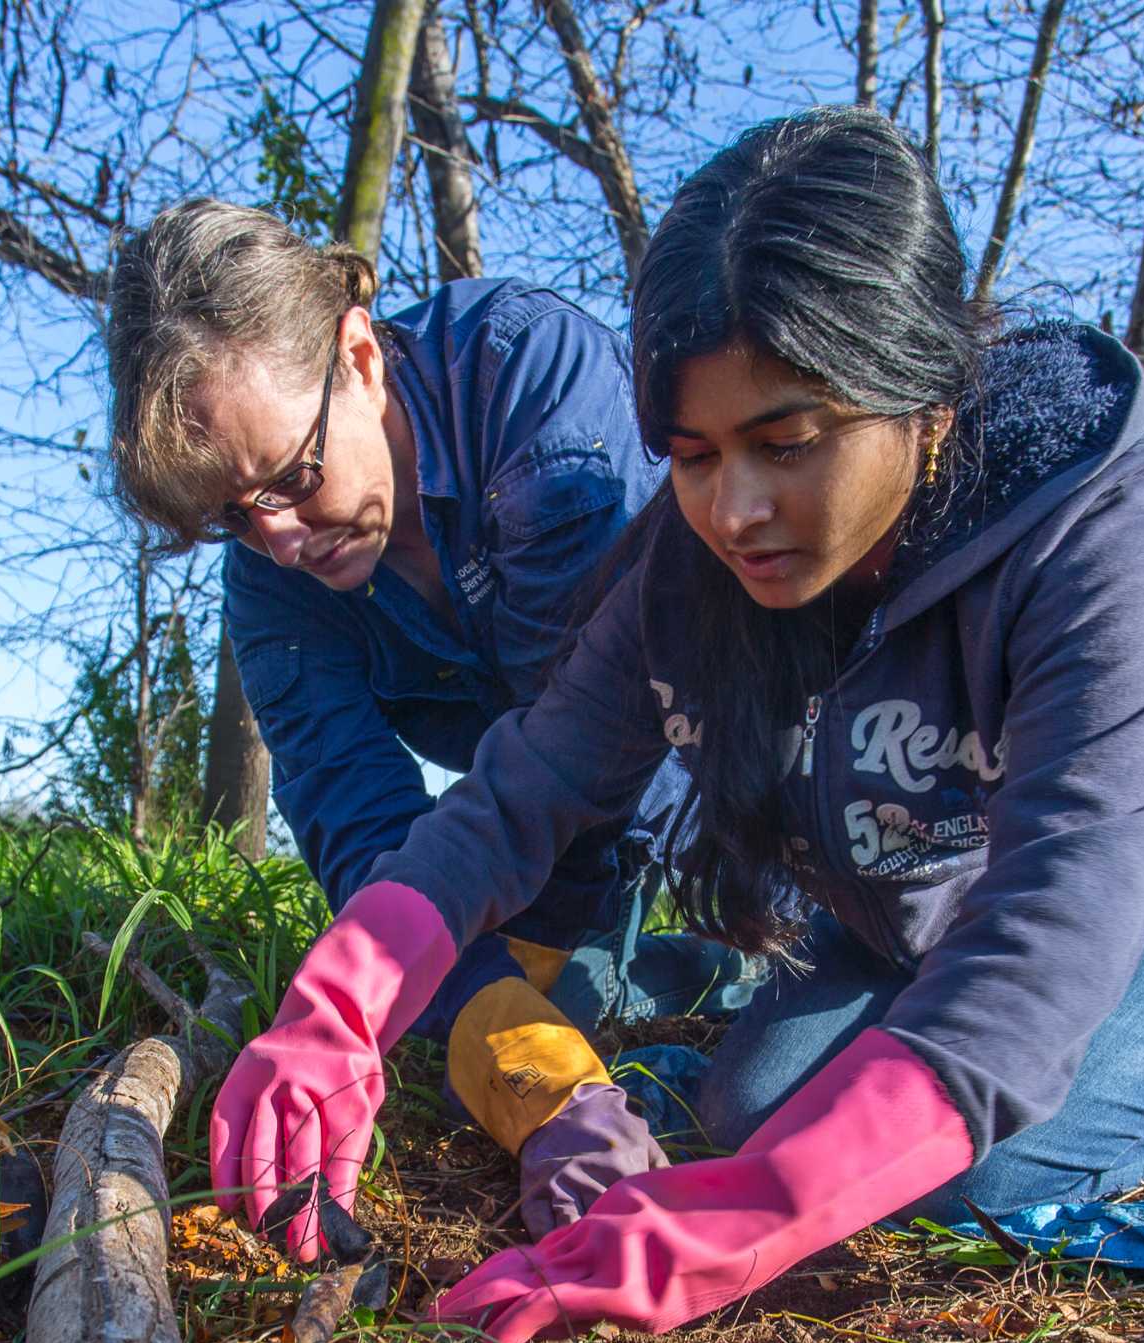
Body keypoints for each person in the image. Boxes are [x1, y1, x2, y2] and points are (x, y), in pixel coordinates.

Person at [207, 108, 1144, 1341]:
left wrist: (756, 1216)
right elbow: (529, 785)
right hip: (914, 910)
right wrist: (340, 1001)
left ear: (921, 394)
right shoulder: (692, 564)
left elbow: (1059, 918)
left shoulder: (1084, 529)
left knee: (977, 1171)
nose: (735, 510)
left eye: (786, 443)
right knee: (749, 1122)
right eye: (692, 456)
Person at [106, 200, 746, 1239]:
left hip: (730, 775)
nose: (281, 543)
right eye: (233, 516)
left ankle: (720, 959)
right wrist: (536, 1077)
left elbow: (577, 748)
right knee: (474, 1015)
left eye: (295, 477)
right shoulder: (272, 585)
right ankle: (638, 978)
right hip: (513, 842)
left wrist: (502, 1035)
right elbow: (365, 833)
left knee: (789, 1035)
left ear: (359, 357)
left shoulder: (532, 390)